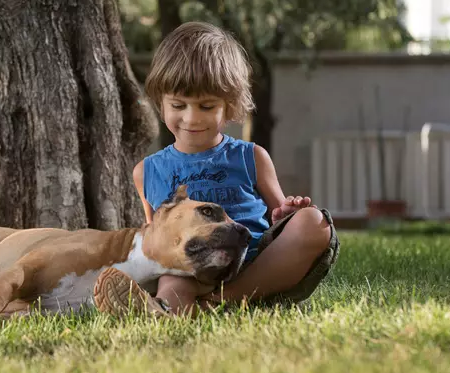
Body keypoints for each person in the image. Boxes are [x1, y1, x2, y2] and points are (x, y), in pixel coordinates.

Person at [93, 21, 340, 317]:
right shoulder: (146, 172)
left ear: (230, 104)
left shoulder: (252, 157)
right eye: (178, 105)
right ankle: (168, 310)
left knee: (313, 222)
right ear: (161, 102)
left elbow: (280, 219)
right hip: (194, 268)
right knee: (172, 278)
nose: (192, 118)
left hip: (256, 262)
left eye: (206, 106)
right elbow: (156, 239)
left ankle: (225, 299)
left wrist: (286, 214)